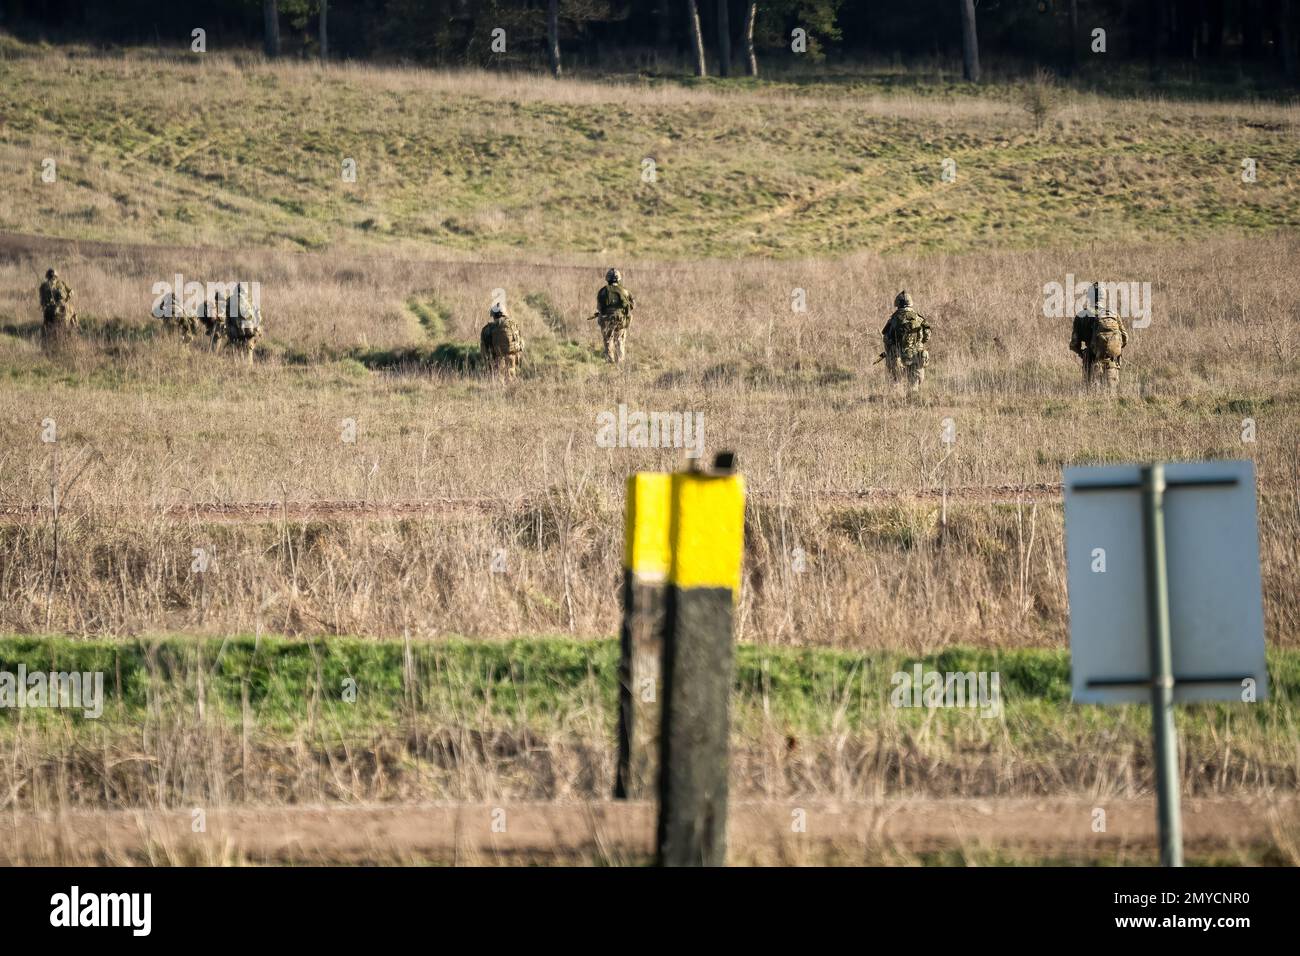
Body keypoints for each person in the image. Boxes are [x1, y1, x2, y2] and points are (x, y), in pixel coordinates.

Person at [1071, 282, 1128, 393]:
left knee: (1091, 398)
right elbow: (1125, 338)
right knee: (1112, 401)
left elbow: (1074, 344)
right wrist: (1112, 348)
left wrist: (1083, 354)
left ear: (1089, 297)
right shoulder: (1112, 314)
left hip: (1091, 364)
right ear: (1104, 297)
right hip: (1112, 365)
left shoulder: (1081, 316)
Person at [881, 290, 931, 394]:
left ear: (897, 304)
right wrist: (917, 344)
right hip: (916, 356)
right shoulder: (918, 318)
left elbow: (886, 338)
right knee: (914, 386)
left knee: (895, 384)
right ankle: (912, 403)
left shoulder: (894, 319)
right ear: (911, 303)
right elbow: (927, 336)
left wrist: (890, 351)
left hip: (897, 357)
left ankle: (894, 403)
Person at [593, 268, 635, 365]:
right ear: (619, 279)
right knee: (619, 340)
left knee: (608, 340)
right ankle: (620, 363)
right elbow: (632, 305)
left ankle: (609, 362)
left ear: (607, 279)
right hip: (621, 320)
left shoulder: (602, 292)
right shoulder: (624, 291)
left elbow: (599, 308)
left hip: (606, 320)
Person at [479, 302, 524, 381]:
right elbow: (521, 343)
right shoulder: (513, 325)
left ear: (493, 315)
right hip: (512, 357)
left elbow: (484, 351)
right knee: (511, 378)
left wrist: (487, 362)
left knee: (498, 380)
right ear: (504, 313)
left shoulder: (488, 329)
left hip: (497, 359)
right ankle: (512, 392)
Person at [223, 282, 262, 361]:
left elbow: (225, 317)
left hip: (234, 333)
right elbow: (258, 318)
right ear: (245, 292)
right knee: (248, 359)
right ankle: (247, 370)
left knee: (235, 358)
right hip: (249, 333)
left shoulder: (229, 301)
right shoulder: (250, 301)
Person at [38, 268, 78, 338]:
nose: (52, 279)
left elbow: (42, 300)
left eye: (53, 277)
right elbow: (42, 299)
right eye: (52, 277)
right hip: (56, 307)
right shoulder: (46, 285)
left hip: (58, 306)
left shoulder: (59, 283)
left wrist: (68, 296)